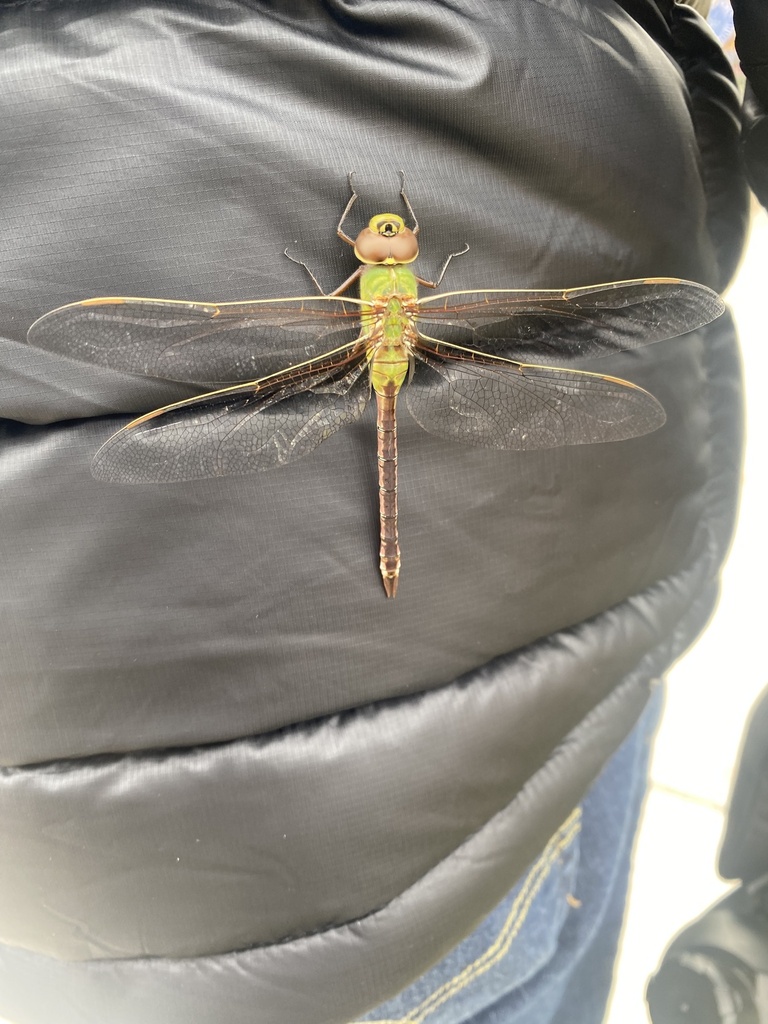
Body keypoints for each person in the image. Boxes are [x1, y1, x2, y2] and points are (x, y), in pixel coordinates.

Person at [0, 1, 757, 1021]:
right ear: (388, 262)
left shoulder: (343, 286)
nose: (387, 243)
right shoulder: (419, 283)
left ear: (378, 263)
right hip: (548, 643)